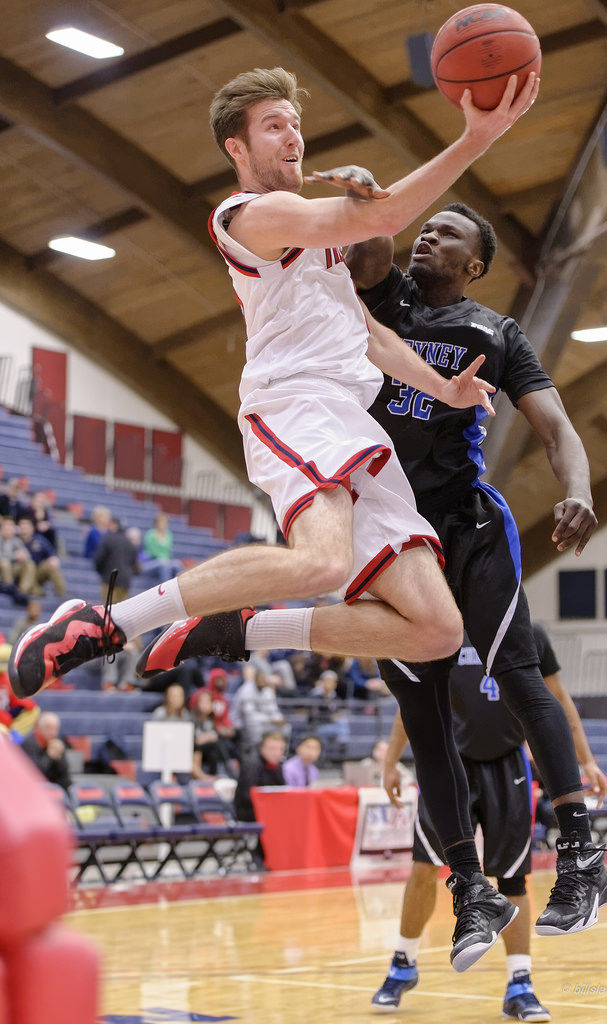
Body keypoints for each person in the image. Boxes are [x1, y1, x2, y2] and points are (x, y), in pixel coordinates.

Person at [10, 66, 538, 968]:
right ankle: (103, 625)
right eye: (272, 126)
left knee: (435, 629)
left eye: (297, 123)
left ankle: (232, 632)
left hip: (351, 417)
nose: (291, 137)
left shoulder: (320, 240)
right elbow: (372, 222)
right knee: (318, 561)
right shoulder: (245, 218)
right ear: (237, 148)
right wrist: (476, 138)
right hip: (291, 406)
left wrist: (441, 384)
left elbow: (367, 335)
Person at [343, 199, 607, 938]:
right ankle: (467, 887)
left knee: (523, 677)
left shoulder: (496, 332)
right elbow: (368, 241)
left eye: (448, 233)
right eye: (424, 226)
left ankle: (582, 853)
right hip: (387, 531)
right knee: (423, 712)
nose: (427, 234)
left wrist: (579, 489)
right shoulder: (382, 297)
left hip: (463, 523)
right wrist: (366, 192)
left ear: (474, 266)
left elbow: (554, 425)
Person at [372, 624, 607, 1019]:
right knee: (425, 866)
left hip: (508, 766)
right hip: (449, 763)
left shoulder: (526, 631)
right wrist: (391, 759)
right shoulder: (439, 624)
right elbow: (410, 702)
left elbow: (556, 699)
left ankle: (520, 983)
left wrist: (585, 759)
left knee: (514, 877)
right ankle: (403, 963)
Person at [234, 730, 287, 825]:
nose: (277, 753)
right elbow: (247, 796)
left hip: (269, 810)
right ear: (262, 748)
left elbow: (283, 791)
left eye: (280, 749)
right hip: (249, 812)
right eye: (272, 748)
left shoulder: (278, 767)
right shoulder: (251, 765)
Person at [230, 667, 287, 755]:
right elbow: (249, 716)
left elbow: (273, 710)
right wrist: (270, 720)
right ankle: (256, 754)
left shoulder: (267, 690)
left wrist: (279, 718)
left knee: (285, 728)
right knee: (255, 727)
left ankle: (280, 755)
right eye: (259, 678)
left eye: (263, 678)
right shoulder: (246, 689)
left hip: (263, 722)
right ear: (255, 678)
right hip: (240, 722)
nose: (261, 681)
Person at [20, 711, 71, 790]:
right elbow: (34, 772)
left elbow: (65, 772)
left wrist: (59, 758)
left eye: (55, 729)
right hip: (34, 785)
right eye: (48, 728)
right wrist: (49, 756)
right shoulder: (28, 743)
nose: (52, 733)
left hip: (55, 785)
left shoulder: (58, 740)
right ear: (39, 727)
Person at [16, 517, 66, 597]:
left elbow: (51, 553)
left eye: (26, 527)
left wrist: (53, 558)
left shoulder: (39, 539)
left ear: (32, 528)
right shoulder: (14, 540)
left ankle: (62, 594)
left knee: (51, 565)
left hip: (38, 571)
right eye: (22, 527)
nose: (24, 530)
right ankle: (28, 591)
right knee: (29, 566)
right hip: (22, 573)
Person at [94, 518, 138, 603]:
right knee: (121, 611)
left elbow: (99, 559)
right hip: (125, 582)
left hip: (109, 579)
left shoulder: (108, 539)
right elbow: (135, 565)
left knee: (108, 610)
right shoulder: (129, 543)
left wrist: (101, 572)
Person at [0, 517, 36, 596]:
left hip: (12, 569)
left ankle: (22, 592)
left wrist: (23, 556)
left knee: (30, 564)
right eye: (6, 528)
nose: (8, 530)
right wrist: (15, 556)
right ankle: (8, 587)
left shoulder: (16, 540)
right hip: (2, 569)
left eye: (10, 528)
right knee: (4, 563)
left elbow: (26, 554)